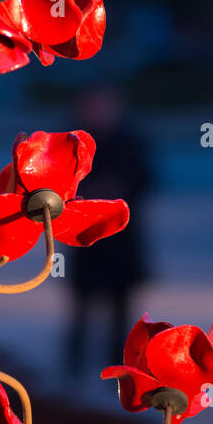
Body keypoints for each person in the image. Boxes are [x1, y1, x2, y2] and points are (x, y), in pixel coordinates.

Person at [64, 85, 153, 374]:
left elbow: (147, 180)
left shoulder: (131, 141)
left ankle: (116, 367)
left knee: (120, 309)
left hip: (121, 241)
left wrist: (116, 192)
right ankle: (74, 366)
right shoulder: (73, 141)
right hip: (85, 238)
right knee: (81, 308)